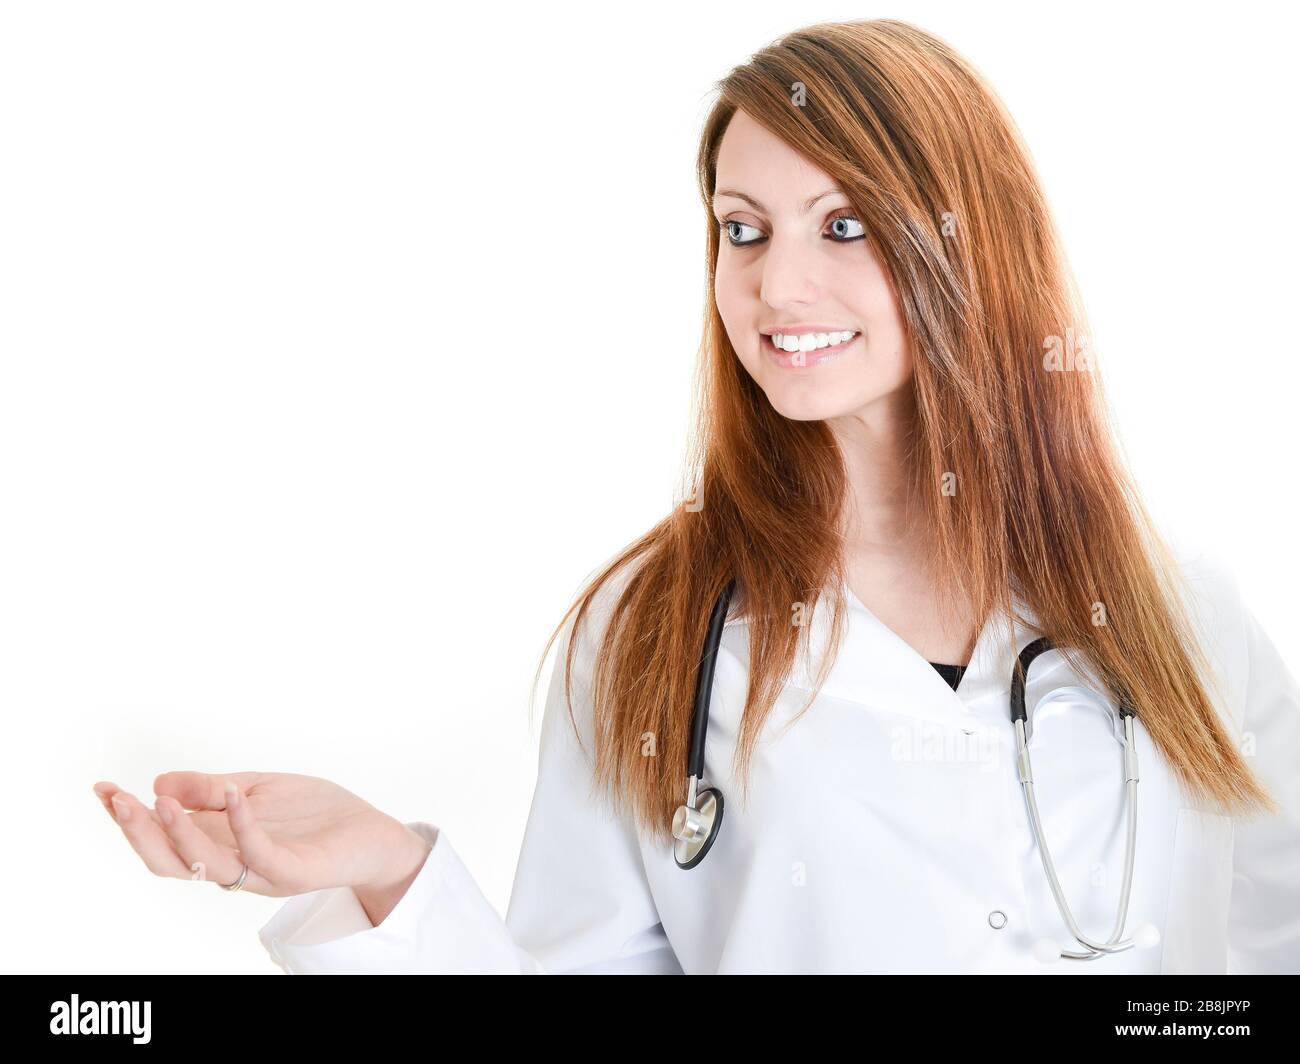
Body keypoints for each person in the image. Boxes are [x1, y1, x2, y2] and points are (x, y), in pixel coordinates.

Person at [93, 17, 1300, 974]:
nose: (777, 284)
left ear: (969, 241)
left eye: (842, 224)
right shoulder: (654, 628)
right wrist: (385, 878)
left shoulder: (1175, 610)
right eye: (742, 228)